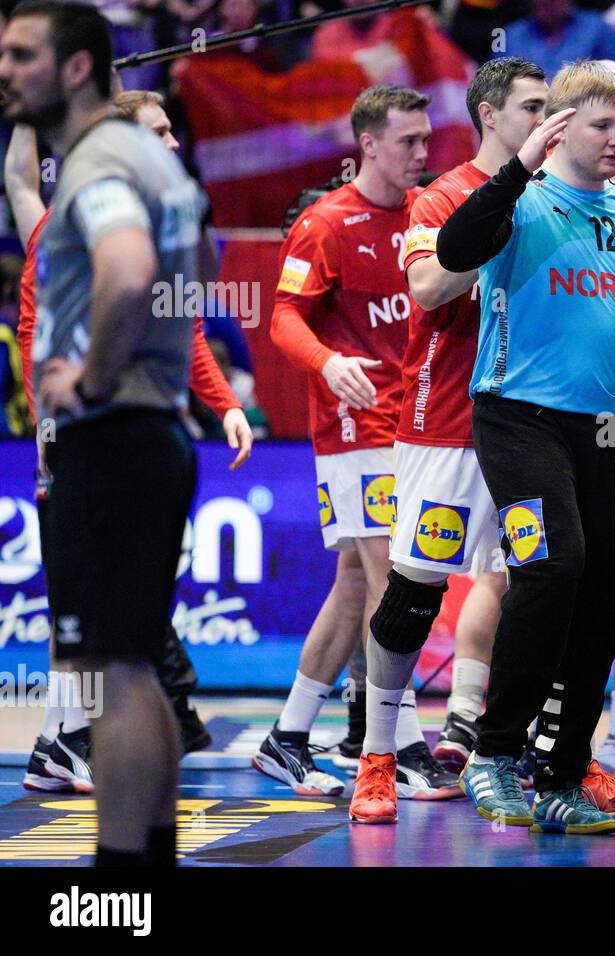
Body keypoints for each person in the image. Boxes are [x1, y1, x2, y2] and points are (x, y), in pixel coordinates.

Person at [1, 0, 206, 866]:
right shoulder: (153, 167)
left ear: (78, 68)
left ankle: (119, 882)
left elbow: (126, 273)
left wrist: (84, 379)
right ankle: (149, 862)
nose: (5, 69)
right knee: (135, 665)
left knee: (116, 674)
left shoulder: (102, 164)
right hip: (151, 432)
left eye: (20, 54)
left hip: (110, 433)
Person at [11, 86, 253, 793]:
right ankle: (73, 739)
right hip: (79, 441)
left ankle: (59, 743)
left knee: (98, 605)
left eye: (173, 131)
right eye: (159, 131)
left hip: (139, 441)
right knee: (84, 608)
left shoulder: (159, 228)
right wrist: (54, 429)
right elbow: (39, 342)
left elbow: (190, 327)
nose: (175, 144)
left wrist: (222, 405)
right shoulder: (66, 230)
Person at [438, 60, 615, 835]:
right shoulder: (520, 199)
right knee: (551, 564)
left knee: (604, 593)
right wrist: (519, 162)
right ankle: (492, 752)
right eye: (604, 123)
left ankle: (562, 774)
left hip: (601, 425)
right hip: (516, 417)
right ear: (560, 127)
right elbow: (455, 249)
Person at [346, 56, 548, 824]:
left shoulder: (563, 199)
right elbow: (427, 288)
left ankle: (513, 746)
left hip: (535, 423)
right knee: (412, 592)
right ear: (491, 115)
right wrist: (497, 220)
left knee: (543, 586)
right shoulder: (442, 196)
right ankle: (377, 754)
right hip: (447, 428)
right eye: (534, 106)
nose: (547, 119)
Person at [256, 85, 434, 799]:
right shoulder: (327, 224)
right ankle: (405, 745)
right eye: (407, 142)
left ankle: (288, 736)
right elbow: (284, 321)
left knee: (358, 581)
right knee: (392, 577)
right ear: (367, 144)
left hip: (414, 423)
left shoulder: (426, 214)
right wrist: (329, 364)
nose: (421, 154)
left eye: (426, 140)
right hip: (354, 423)